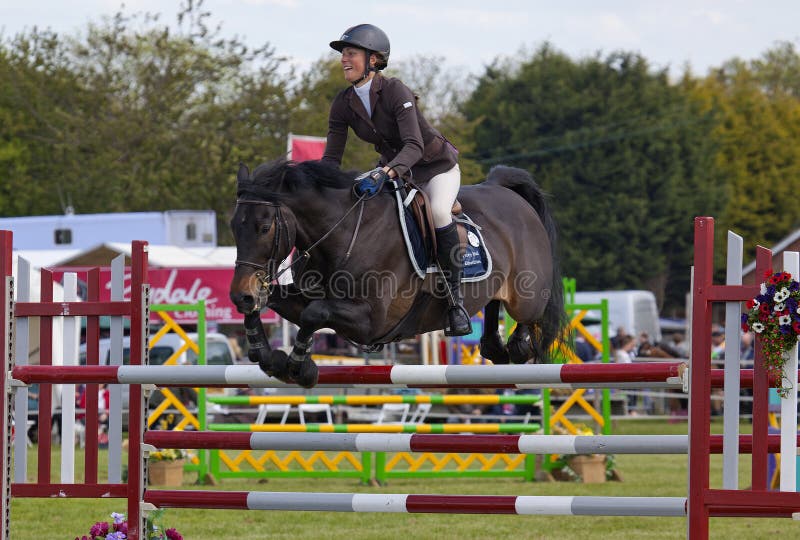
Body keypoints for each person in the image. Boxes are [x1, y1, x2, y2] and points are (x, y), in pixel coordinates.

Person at [322, 23, 471, 336]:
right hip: (397, 173)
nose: (343, 59)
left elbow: (414, 146)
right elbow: (331, 161)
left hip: (434, 169)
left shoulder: (395, 91)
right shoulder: (343, 103)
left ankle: (454, 302)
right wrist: (318, 188)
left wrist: (385, 172)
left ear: (373, 60)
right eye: (342, 54)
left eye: (351, 53)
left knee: (440, 212)